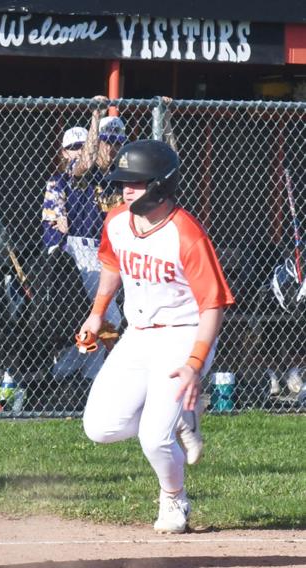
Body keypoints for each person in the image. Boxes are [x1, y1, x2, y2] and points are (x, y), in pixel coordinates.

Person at [79, 140, 234, 534]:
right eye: (123, 182)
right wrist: (97, 315)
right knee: (100, 427)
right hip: (139, 333)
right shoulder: (116, 220)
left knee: (153, 437)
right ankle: (180, 417)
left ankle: (174, 498)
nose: (126, 189)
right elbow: (111, 264)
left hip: (184, 334)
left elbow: (212, 305)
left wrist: (194, 365)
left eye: (137, 182)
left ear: (162, 187)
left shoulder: (186, 234)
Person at [41, 126, 123, 380]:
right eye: (73, 147)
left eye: (83, 145)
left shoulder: (101, 180)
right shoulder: (61, 179)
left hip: (98, 253)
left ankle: (75, 372)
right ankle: (76, 371)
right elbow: (56, 224)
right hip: (68, 255)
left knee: (99, 318)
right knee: (107, 316)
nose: (78, 151)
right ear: (64, 152)